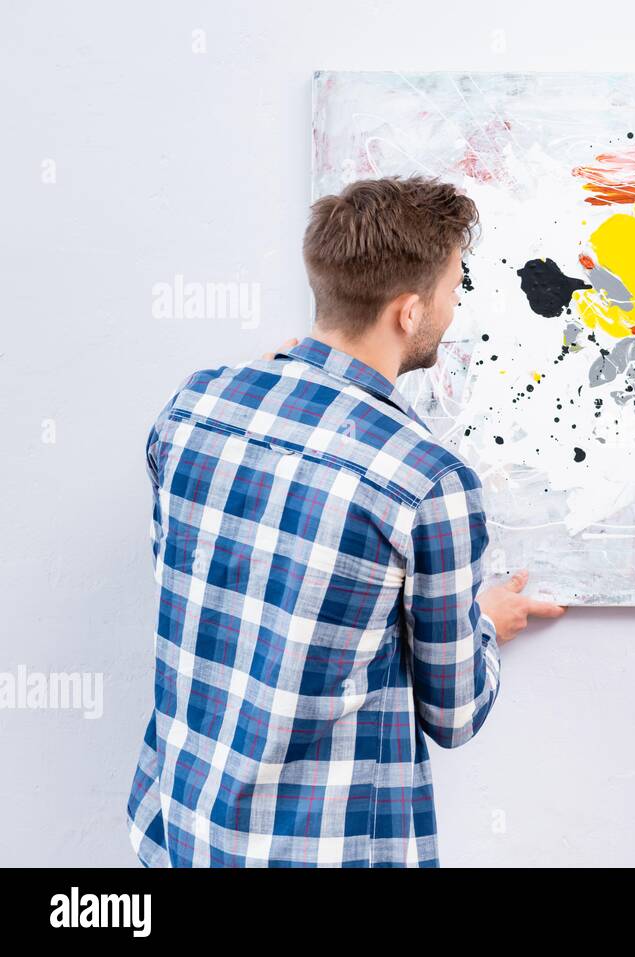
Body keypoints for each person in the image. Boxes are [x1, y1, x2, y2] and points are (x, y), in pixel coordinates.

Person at [126, 176, 564, 867]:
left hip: (180, 831)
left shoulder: (195, 405)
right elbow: (453, 713)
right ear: (409, 312)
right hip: (318, 851)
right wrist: (483, 621)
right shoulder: (426, 481)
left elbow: (200, 574)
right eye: (454, 289)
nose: (456, 308)